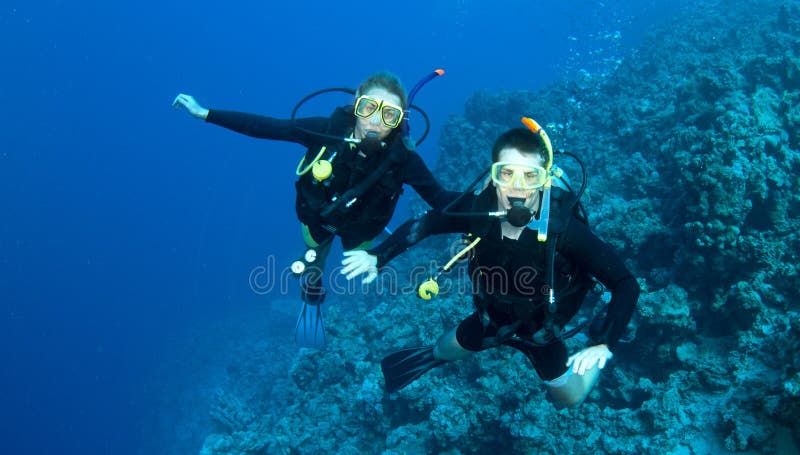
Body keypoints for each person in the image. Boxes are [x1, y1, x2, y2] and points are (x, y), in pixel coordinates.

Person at [341, 119, 640, 407]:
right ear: (492, 176)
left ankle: (599, 359)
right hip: (492, 319)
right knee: (444, 349)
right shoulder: (477, 211)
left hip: (542, 333)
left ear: (545, 179)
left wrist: (603, 341)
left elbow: (626, 285)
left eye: (530, 176)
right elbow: (428, 222)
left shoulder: (565, 231)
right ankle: (430, 356)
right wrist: (378, 255)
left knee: (570, 398)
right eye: (506, 173)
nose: (518, 187)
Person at [172, 71, 456, 349]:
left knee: (364, 260)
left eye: (389, 114)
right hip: (317, 220)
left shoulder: (403, 160)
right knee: (313, 262)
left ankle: (380, 240)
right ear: (356, 104)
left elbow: (442, 200)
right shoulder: (326, 132)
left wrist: (489, 201)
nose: (374, 120)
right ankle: (312, 295)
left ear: (398, 121)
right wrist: (206, 113)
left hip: (362, 232)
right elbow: (269, 127)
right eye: (368, 107)